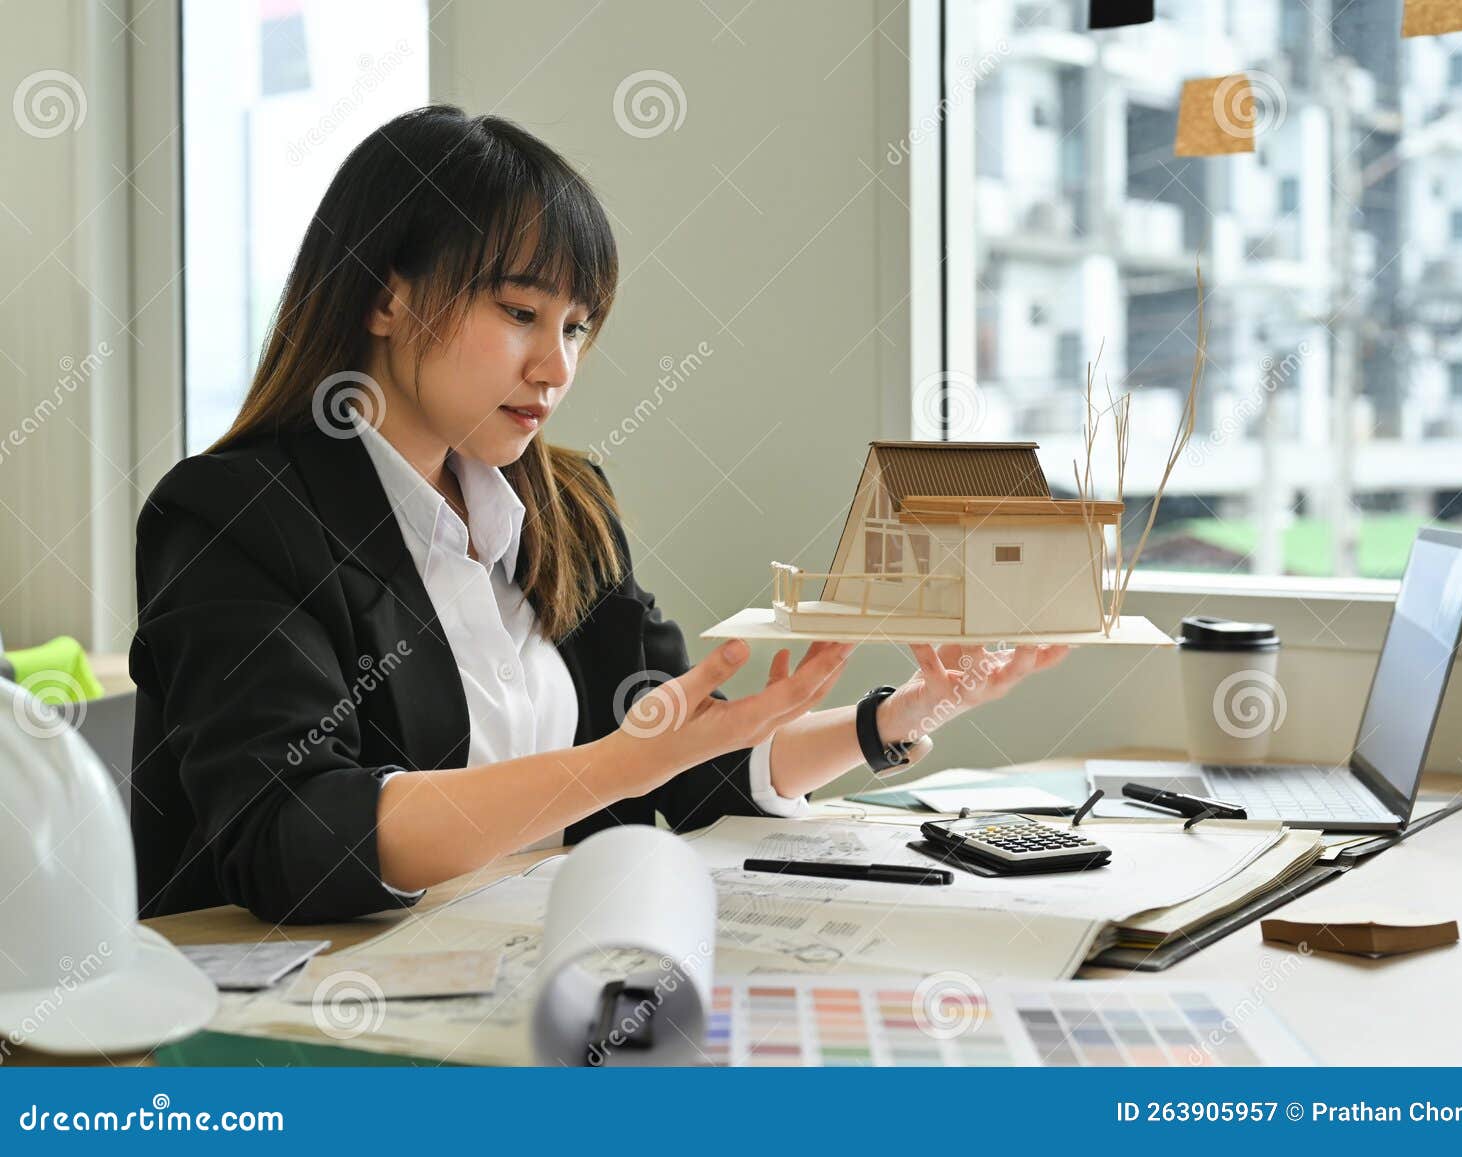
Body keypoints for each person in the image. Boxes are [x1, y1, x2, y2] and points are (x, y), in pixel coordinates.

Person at [130, 105, 1070, 925]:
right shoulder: (235, 517)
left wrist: (899, 715)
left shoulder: (562, 500)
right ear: (387, 295)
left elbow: (690, 761)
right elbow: (292, 838)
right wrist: (612, 767)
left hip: (533, 969)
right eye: (519, 312)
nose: (557, 366)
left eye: (576, 326)